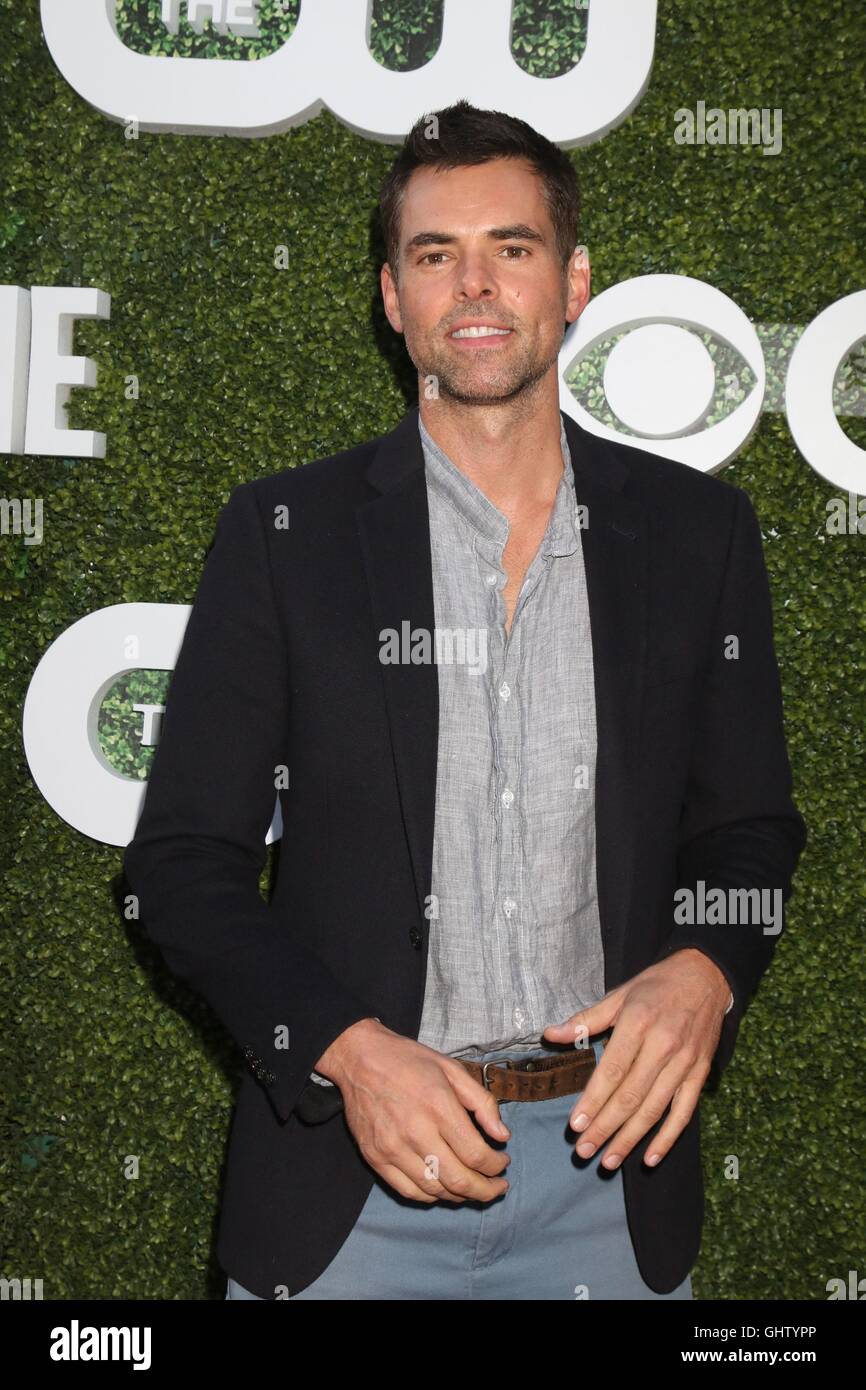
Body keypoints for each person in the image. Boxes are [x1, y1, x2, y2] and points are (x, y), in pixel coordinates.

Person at [124, 100, 806, 1301]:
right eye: (435, 255)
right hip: (347, 1189)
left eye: (513, 247)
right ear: (393, 298)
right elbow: (179, 864)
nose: (475, 286)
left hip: (612, 1185)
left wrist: (705, 966)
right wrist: (344, 1050)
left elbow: (748, 828)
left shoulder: (697, 536)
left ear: (574, 280)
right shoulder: (285, 536)